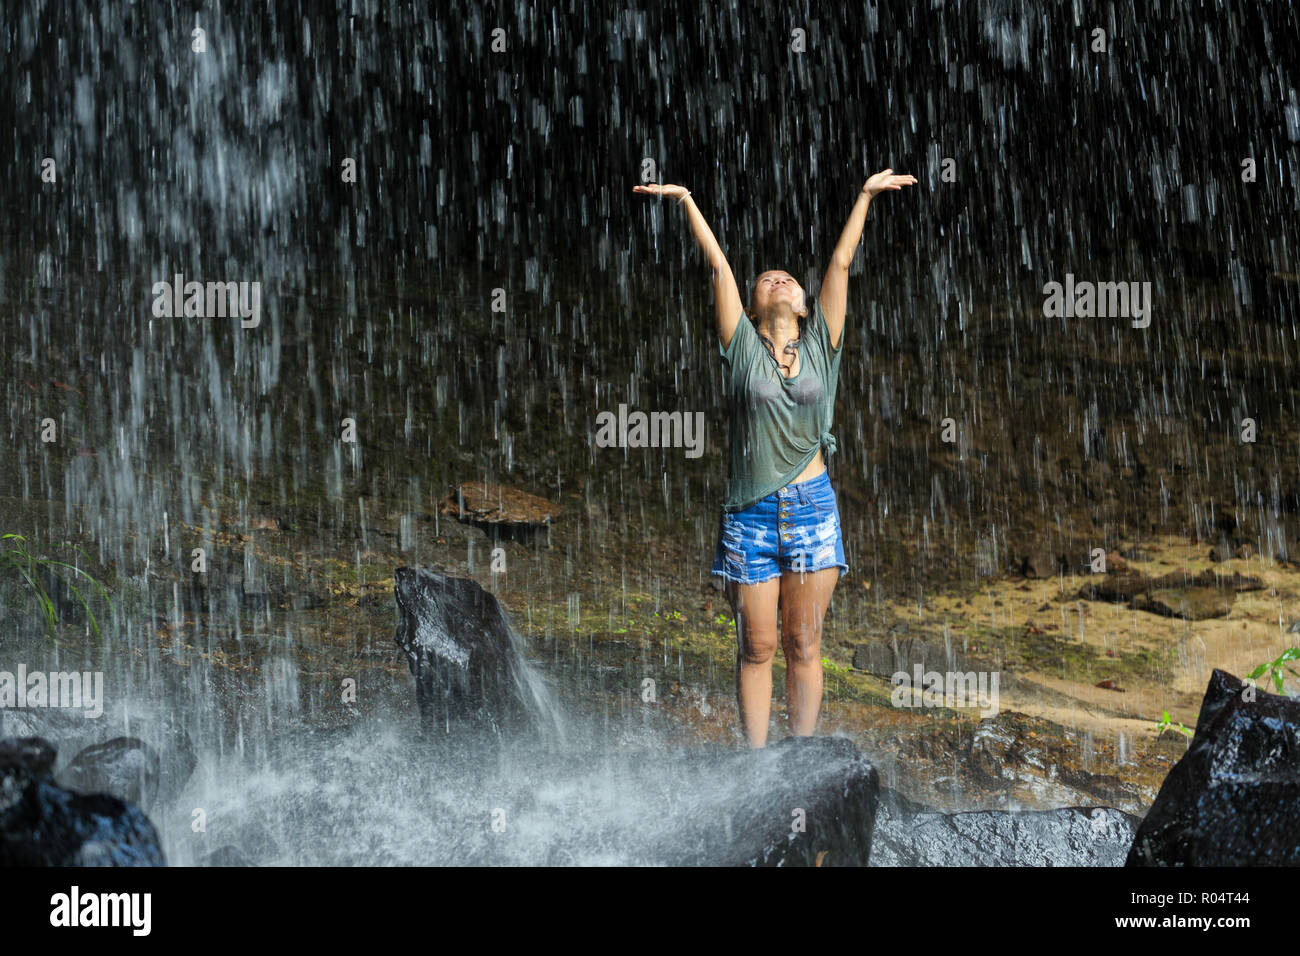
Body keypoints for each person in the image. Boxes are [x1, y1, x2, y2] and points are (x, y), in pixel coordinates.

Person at [633, 170, 917, 747]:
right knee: (758, 646)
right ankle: (757, 766)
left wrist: (863, 197)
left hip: (812, 508)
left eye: (788, 278)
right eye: (767, 279)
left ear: (807, 306)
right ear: (756, 305)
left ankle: (803, 761)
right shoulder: (740, 349)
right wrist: (688, 198)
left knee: (804, 646)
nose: (779, 278)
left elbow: (839, 265)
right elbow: (718, 268)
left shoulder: (821, 347)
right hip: (751, 516)